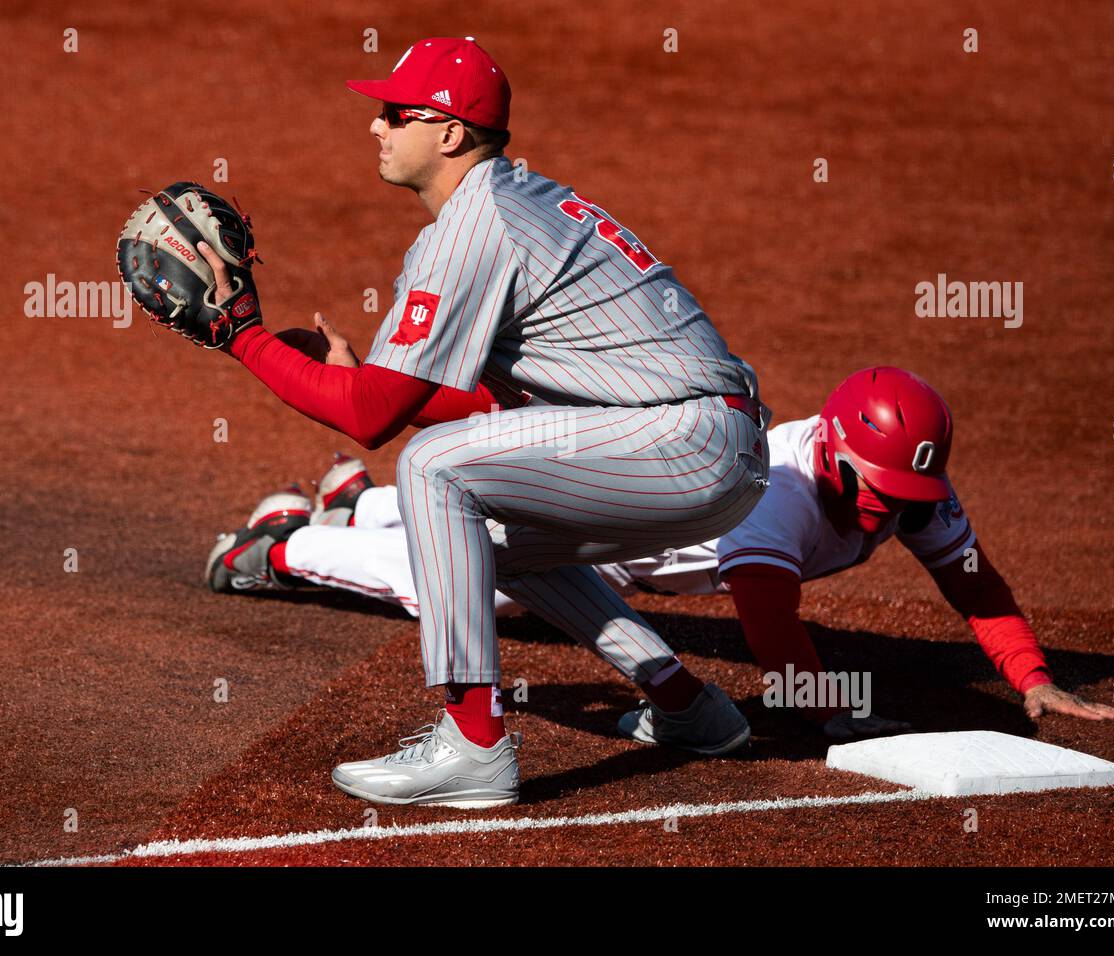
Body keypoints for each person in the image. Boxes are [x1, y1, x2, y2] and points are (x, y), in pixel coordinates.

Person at [201, 36, 771, 808]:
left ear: (449, 133)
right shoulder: (512, 202)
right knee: (480, 540)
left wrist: (240, 336)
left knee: (432, 467)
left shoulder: (476, 225)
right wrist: (350, 373)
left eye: (394, 113)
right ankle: (686, 706)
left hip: (681, 441)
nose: (375, 126)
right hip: (709, 447)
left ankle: (473, 745)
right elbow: (454, 404)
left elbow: (373, 421)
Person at [214, 368, 1114, 740]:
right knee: (470, 584)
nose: (897, 511)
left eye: (910, 496)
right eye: (880, 487)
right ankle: (281, 553)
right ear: (836, 448)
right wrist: (835, 709)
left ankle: (354, 498)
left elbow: (972, 579)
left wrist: (1029, 673)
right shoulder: (781, 499)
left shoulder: (899, 478)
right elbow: (771, 627)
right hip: (605, 530)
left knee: (467, 534)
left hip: (630, 518)